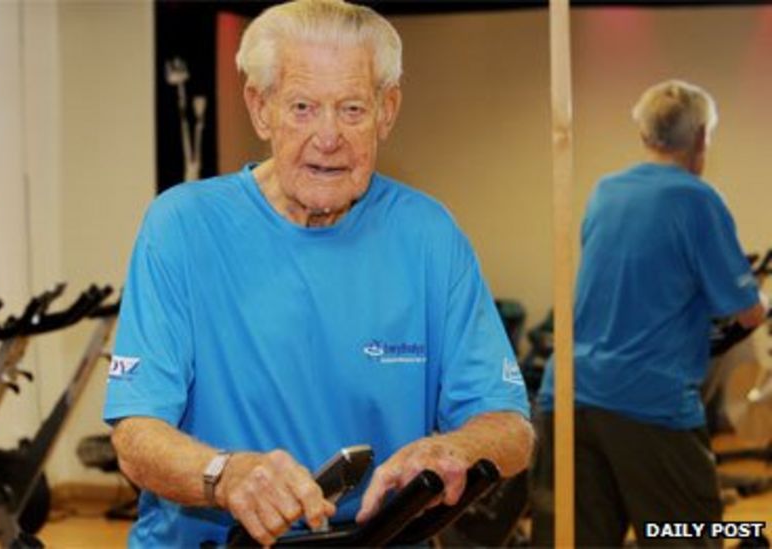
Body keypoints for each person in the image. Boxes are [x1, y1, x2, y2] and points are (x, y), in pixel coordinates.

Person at [103, 0, 533, 545]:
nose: (327, 136)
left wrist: (456, 449)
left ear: (388, 110)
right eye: (303, 107)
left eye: (352, 109)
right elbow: (136, 435)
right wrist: (225, 475)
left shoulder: (430, 235)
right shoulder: (182, 226)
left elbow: (510, 427)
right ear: (260, 109)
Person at [531, 80, 767, 548]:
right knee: (685, 535)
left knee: (580, 540)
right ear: (701, 138)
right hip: (648, 401)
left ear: (645, 135)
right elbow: (747, 313)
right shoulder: (697, 198)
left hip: (568, 393)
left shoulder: (606, 192)